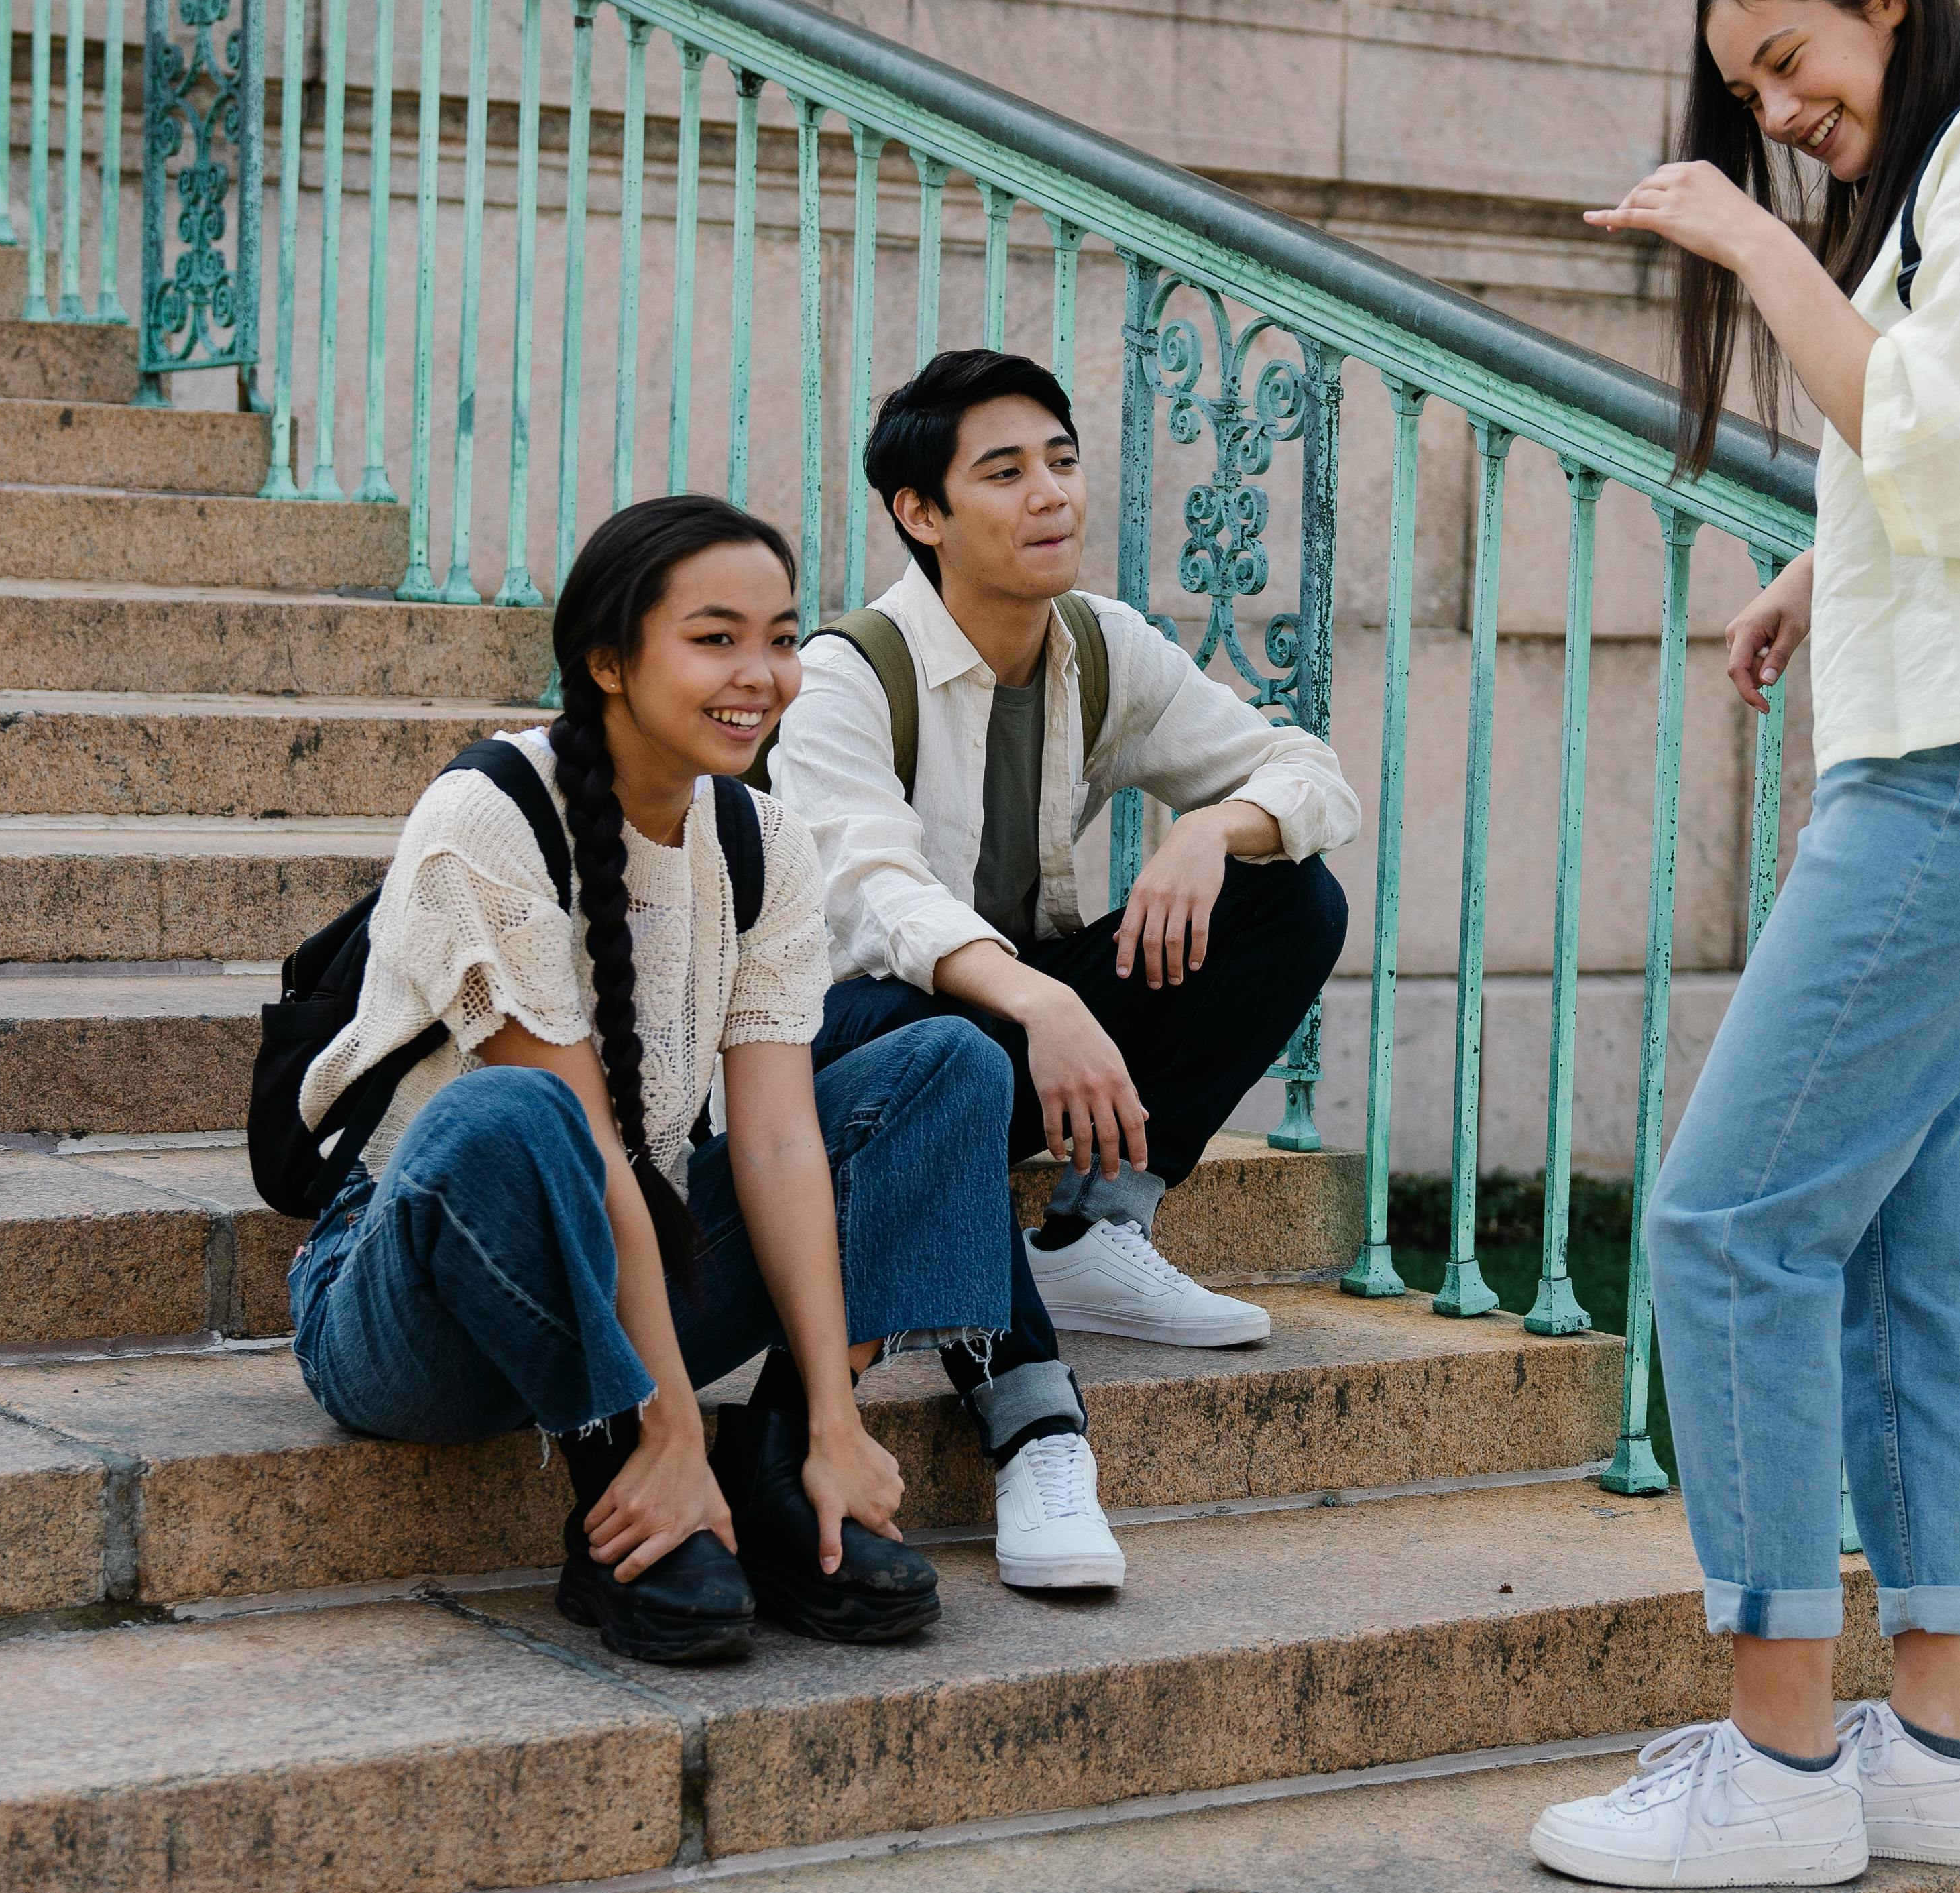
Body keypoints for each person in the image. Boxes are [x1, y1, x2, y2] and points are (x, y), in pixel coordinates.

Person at [1527, 0, 1960, 1888]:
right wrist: (1832, 568)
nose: (1777, 113)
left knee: (1728, 1222)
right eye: (1745, 96)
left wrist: (1738, 236)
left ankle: (1785, 1761)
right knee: (1899, 1260)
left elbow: (1952, 435)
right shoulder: (1945, 191)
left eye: (1787, 62)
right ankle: (1942, 1751)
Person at [284, 492, 1039, 1662]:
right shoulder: (483, 815)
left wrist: (842, 1419)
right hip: (415, 1307)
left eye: (783, 638)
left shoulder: (761, 839)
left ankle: (788, 1472)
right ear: (607, 662)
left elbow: (783, 1141)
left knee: (949, 1063)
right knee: (514, 1110)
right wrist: (670, 1424)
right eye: (715, 637)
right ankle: (629, 1487)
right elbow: (583, 1147)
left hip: (648, 1251)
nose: (762, 675)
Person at [764, 347, 1361, 1587]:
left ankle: (1095, 1232)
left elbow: (1308, 775)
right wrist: (1042, 1001)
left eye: (1064, 461)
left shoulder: (1102, 648)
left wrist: (1211, 829)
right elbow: (872, 904)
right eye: (1005, 472)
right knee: (935, 1042)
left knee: (1288, 897)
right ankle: (1035, 1426)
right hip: (838, 1075)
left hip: (1015, 1031)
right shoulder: (844, 679)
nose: (1052, 495)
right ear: (920, 515)